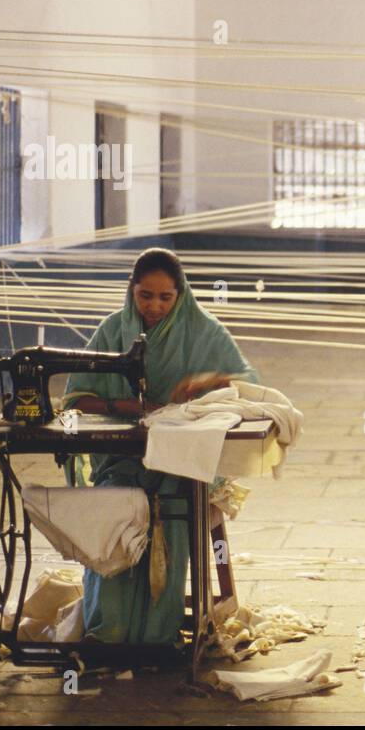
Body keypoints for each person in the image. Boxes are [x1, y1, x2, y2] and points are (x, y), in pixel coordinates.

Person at [63, 248, 258, 644]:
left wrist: (205, 383)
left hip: (183, 463)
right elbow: (77, 398)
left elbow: (249, 386)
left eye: (165, 297)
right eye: (144, 296)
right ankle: (110, 633)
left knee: (170, 509)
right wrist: (128, 406)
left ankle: (157, 634)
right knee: (114, 507)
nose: (154, 306)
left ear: (181, 294)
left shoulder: (203, 331)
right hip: (123, 460)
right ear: (131, 291)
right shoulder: (113, 331)